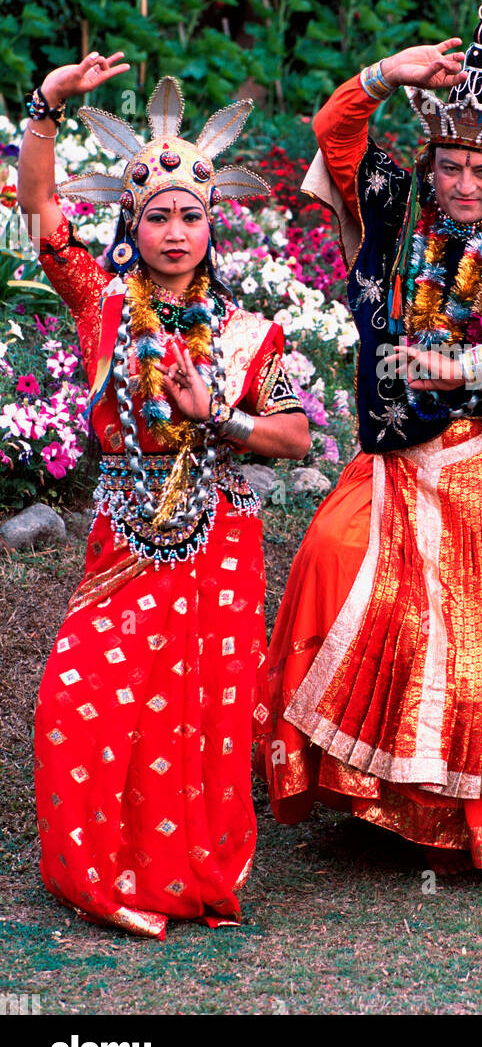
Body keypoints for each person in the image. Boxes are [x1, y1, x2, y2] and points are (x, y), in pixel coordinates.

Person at [256, 0, 482, 870]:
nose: (463, 184)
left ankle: (475, 826)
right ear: (432, 163)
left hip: (481, 460)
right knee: (333, 567)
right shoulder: (393, 207)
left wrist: (475, 363)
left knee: (479, 645)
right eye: (450, 165)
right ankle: (373, 796)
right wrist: (384, 74)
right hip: (393, 456)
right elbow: (335, 135)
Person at [18, 52, 310, 939]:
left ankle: (181, 878)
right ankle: (103, 876)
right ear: (133, 225)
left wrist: (217, 414)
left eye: (190, 216)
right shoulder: (102, 303)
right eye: (157, 217)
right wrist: (45, 108)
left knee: (200, 719)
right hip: (124, 536)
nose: (175, 232)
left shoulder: (256, 333)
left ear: (212, 224)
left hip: (219, 540)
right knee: (79, 700)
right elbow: (39, 213)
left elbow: (294, 435)